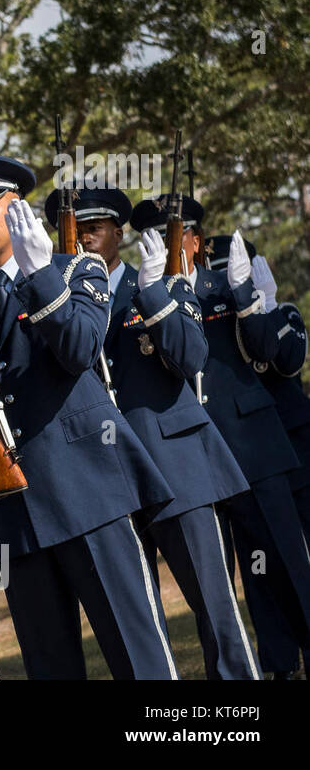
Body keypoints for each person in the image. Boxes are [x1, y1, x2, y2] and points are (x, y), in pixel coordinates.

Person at [0, 154, 177, 679]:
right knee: (49, 665)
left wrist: (39, 273)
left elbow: (80, 348)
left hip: (91, 490)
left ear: (16, 208)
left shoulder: (75, 269)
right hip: (16, 509)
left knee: (138, 656)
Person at [45, 187, 255, 679]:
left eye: (96, 225)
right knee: (139, 623)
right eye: (74, 227)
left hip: (172, 459)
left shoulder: (160, 279)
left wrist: (156, 291)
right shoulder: (57, 296)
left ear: (119, 232)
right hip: (105, 477)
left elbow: (190, 358)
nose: (85, 235)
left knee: (215, 610)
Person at [139, 208, 310, 679]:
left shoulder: (223, 288)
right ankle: (277, 666)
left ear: (195, 241)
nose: (164, 245)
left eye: (173, 235)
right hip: (192, 457)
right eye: (153, 237)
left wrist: (247, 296)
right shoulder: (144, 296)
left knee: (284, 560)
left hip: (249, 445)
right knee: (235, 579)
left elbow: (268, 353)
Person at [205, 234, 310, 678]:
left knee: (297, 559)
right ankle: (280, 661)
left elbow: (285, 361)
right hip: (250, 454)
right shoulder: (220, 321)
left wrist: (262, 306)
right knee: (260, 570)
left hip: (293, 453)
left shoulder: (278, 311)